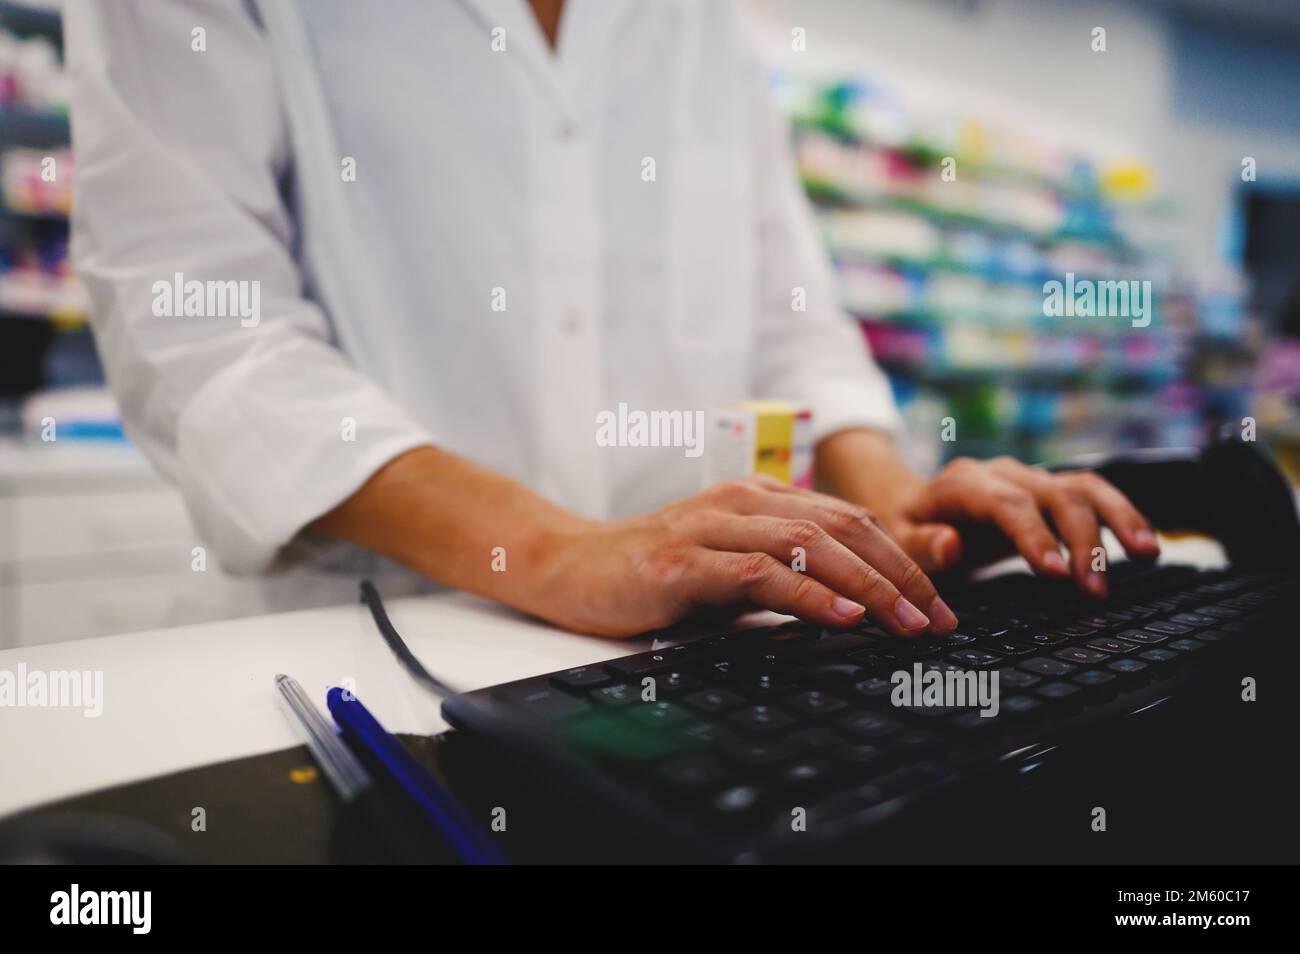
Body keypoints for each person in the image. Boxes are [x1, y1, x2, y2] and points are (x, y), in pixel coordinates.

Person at [66, 0, 1159, 639]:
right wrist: (554, 551)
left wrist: (889, 501)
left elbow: (789, 319)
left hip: (690, 657)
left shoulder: (701, 25)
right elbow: (197, 319)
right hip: (359, 646)